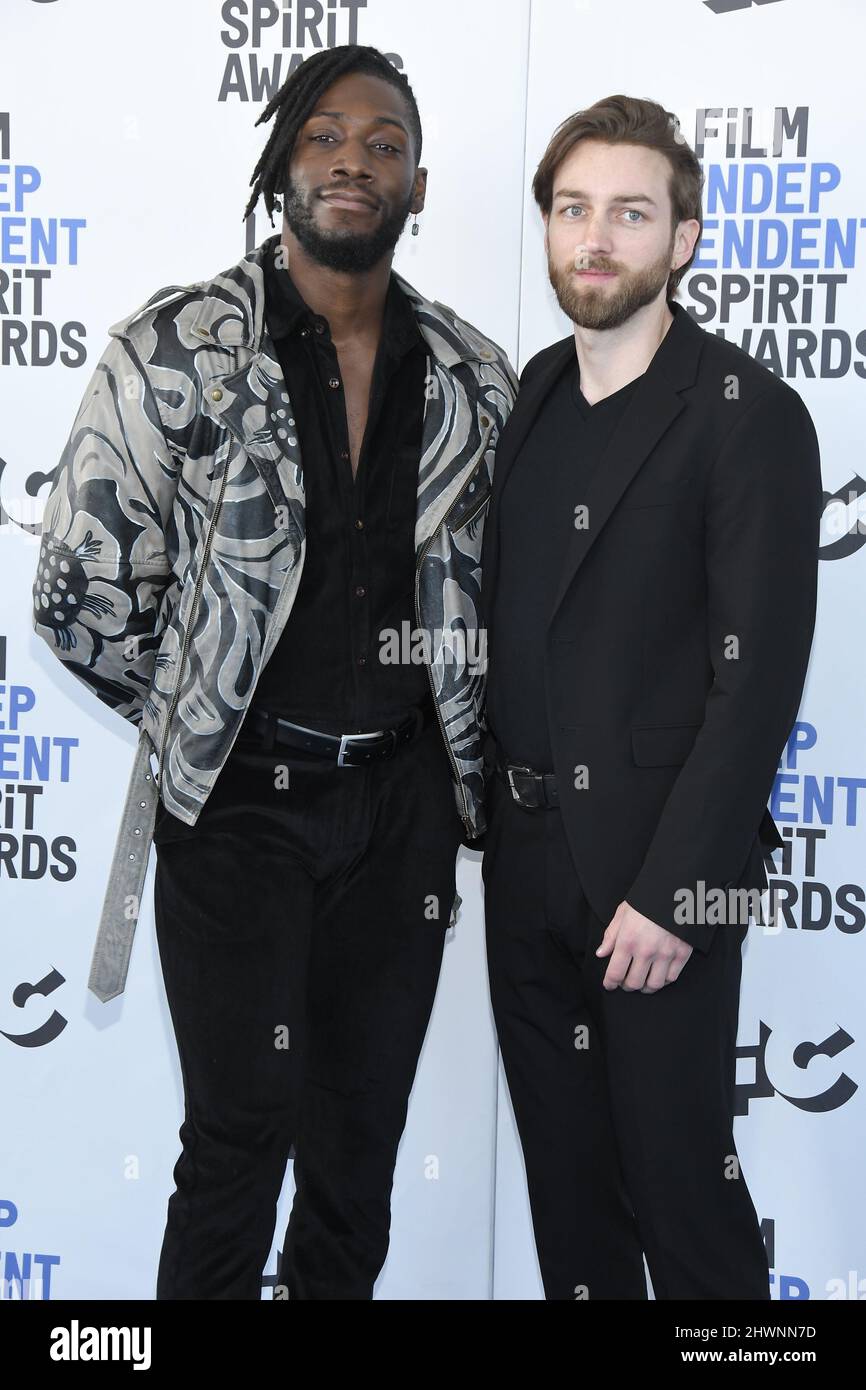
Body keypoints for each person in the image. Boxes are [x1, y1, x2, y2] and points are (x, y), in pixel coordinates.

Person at [32, 43, 516, 1299]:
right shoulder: (173, 351)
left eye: (386, 143)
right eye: (325, 135)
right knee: (237, 1146)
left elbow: (501, 596)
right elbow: (80, 594)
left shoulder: (471, 375)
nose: (355, 158)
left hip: (402, 813)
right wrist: (206, 706)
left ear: (416, 186)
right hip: (238, 810)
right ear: (280, 164)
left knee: (357, 1153)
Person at [479, 94, 822, 1300]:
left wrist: (672, 893)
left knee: (686, 1208)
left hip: (653, 892)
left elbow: (756, 683)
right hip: (523, 872)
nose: (594, 236)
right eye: (572, 209)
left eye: (629, 212)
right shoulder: (532, 394)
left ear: (681, 237)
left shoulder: (745, 415)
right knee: (569, 1212)